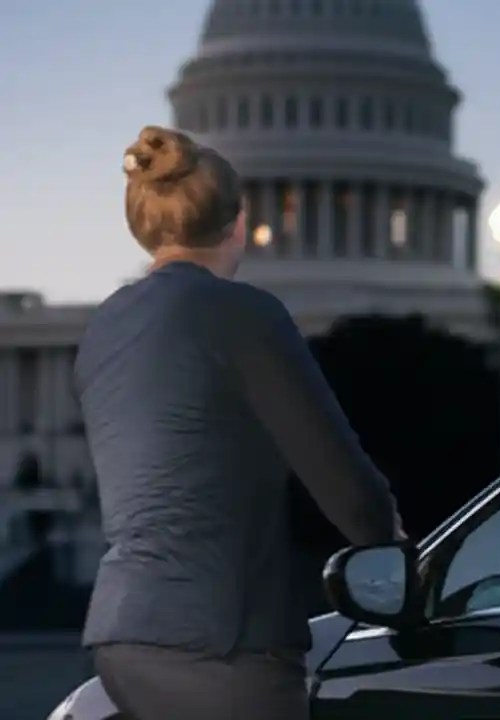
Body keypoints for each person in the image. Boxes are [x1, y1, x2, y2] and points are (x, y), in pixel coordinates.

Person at [74, 126, 406, 720]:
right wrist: (390, 541)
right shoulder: (243, 313)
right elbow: (342, 481)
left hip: (123, 631)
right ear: (238, 221)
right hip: (221, 641)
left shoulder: (106, 328)